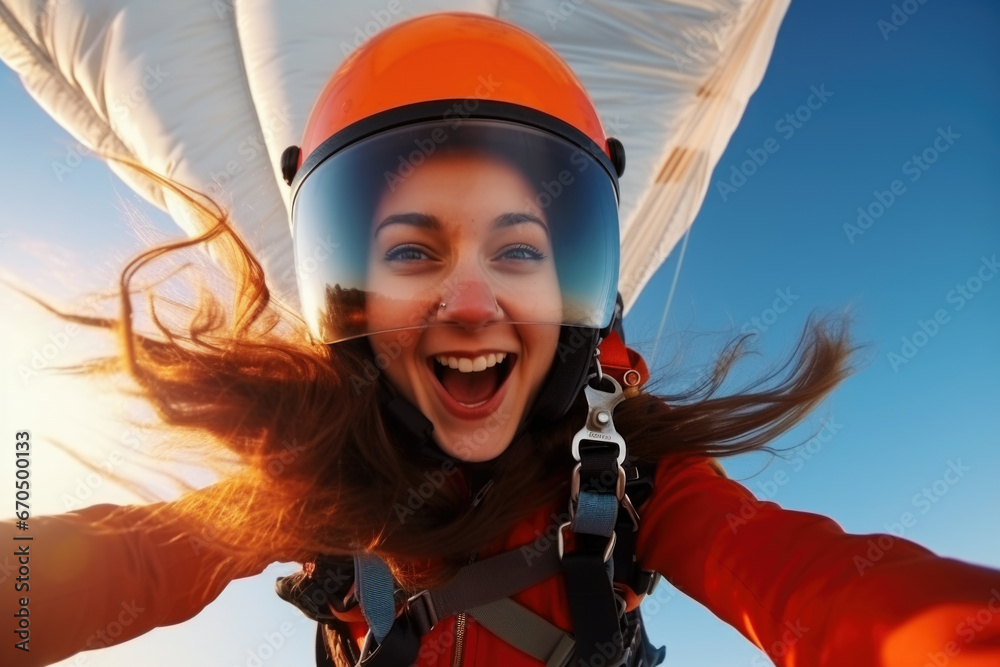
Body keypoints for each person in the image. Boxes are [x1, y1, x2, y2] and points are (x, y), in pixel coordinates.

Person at [3, 12, 999, 667]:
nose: (471, 304)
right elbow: (122, 563)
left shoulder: (638, 480)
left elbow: (821, 590)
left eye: (517, 252)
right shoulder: (310, 482)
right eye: (411, 252)